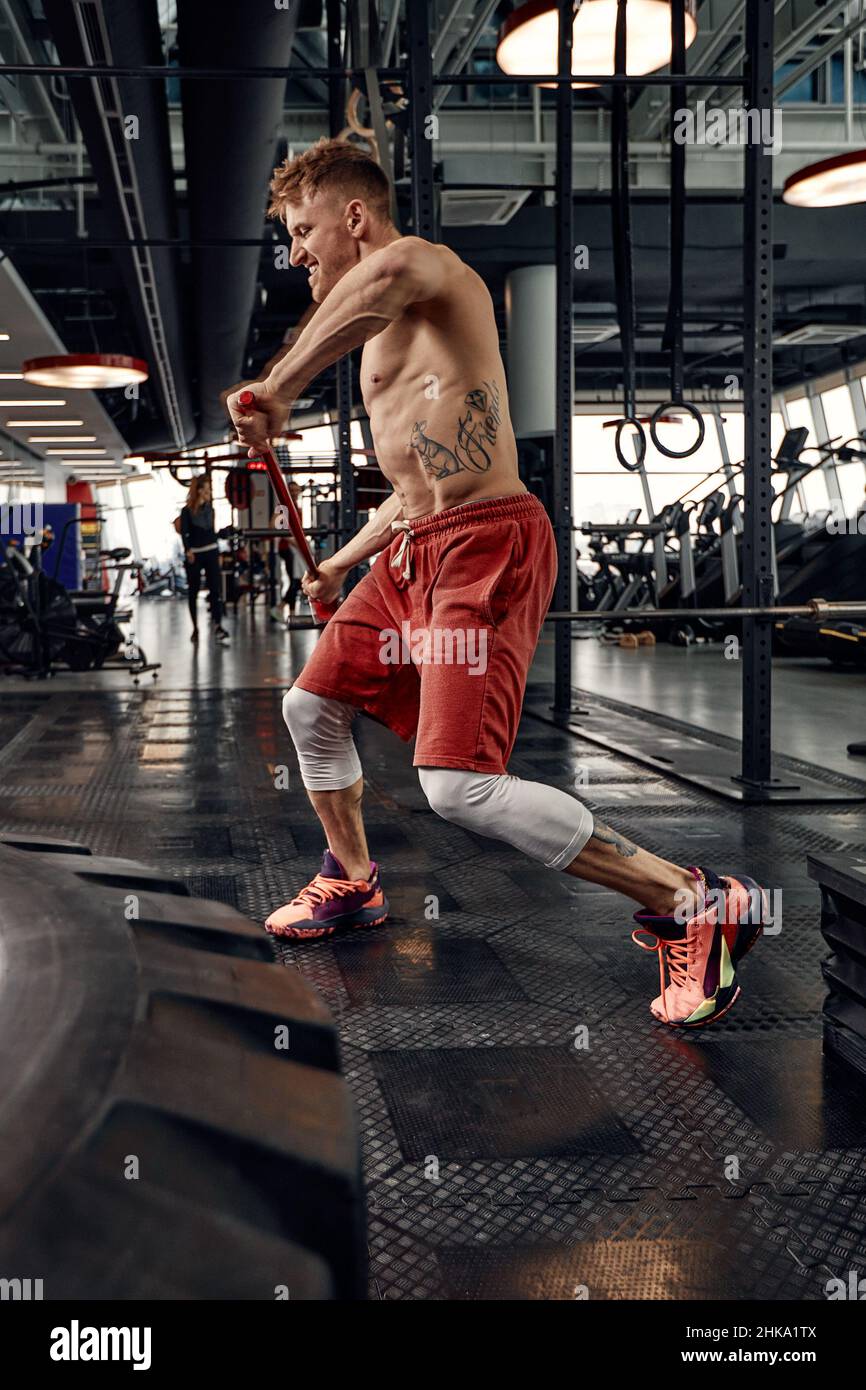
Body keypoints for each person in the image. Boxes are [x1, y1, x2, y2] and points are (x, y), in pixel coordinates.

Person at [226, 138, 766, 1030]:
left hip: (485, 546)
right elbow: (409, 491)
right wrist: (342, 560)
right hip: (414, 553)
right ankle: (352, 880)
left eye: (302, 231)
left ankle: (690, 898)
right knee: (308, 708)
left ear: (354, 215)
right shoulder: (376, 346)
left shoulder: (427, 270)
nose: (296, 254)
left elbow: (384, 274)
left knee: (458, 787)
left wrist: (280, 384)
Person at [179, 475, 229, 644]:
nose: (209, 493)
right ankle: (195, 628)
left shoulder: (210, 510)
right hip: (195, 554)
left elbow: (210, 533)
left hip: (211, 551)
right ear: (199, 491)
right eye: (207, 490)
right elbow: (184, 534)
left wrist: (220, 544)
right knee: (193, 592)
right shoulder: (186, 512)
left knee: (215, 591)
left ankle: (218, 626)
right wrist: (188, 551)